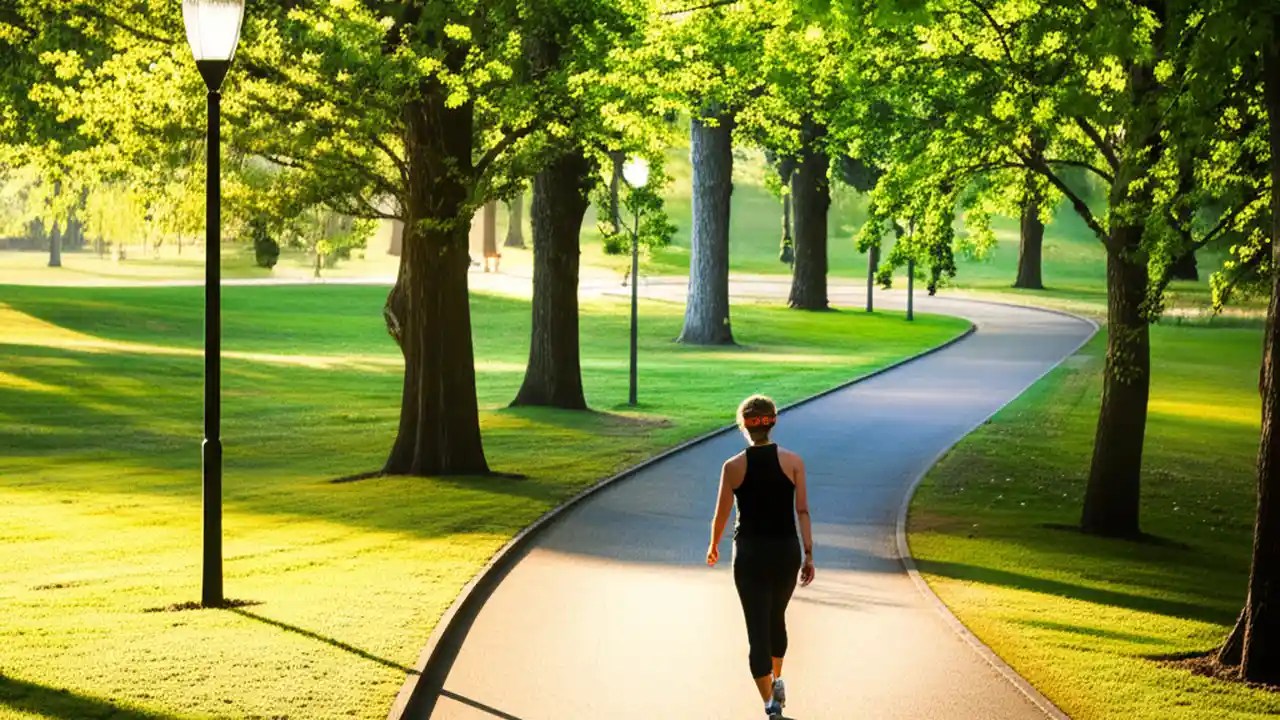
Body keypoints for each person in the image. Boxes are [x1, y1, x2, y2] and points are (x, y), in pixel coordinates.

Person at [706, 394, 816, 719]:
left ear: (744, 426)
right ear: (773, 421)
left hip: (750, 554)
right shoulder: (794, 462)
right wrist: (808, 553)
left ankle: (770, 702)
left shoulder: (733, 467)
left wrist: (713, 545)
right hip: (786, 551)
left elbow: (721, 515)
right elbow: (803, 510)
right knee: (776, 617)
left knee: (757, 628)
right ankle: (777, 679)